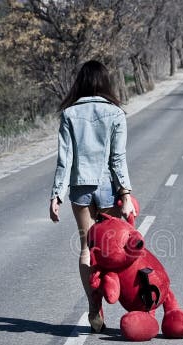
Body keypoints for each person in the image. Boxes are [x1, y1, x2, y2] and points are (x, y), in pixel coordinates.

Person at [49, 60, 136, 331]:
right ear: (105, 83)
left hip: (80, 188)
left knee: (87, 247)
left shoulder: (69, 114)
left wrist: (57, 195)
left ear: (81, 83)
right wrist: (127, 193)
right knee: (111, 248)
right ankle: (111, 289)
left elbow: (65, 159)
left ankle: (93, 304)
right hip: (108, 188)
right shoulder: (116, 114)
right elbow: (118, 159)